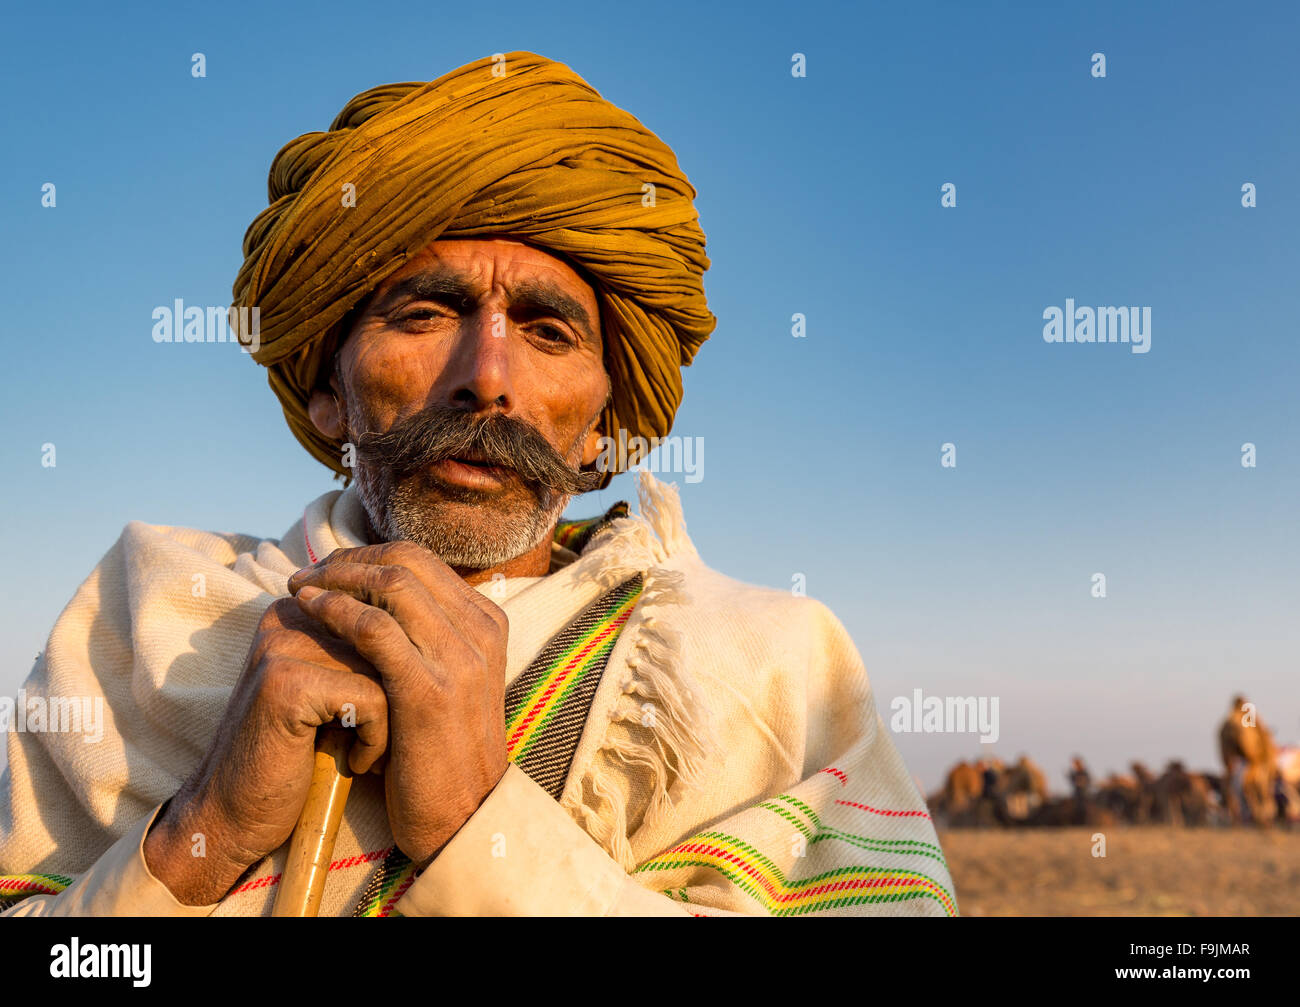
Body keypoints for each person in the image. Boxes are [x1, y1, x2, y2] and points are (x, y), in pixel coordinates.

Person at [0, 52, 954, 917]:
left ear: (601, 432)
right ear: (329, 391)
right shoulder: (147, 618)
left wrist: (482, 825)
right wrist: (203, 831)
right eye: (426, 311)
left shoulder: (774, 668)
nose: (486, 373)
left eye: (547, 332)